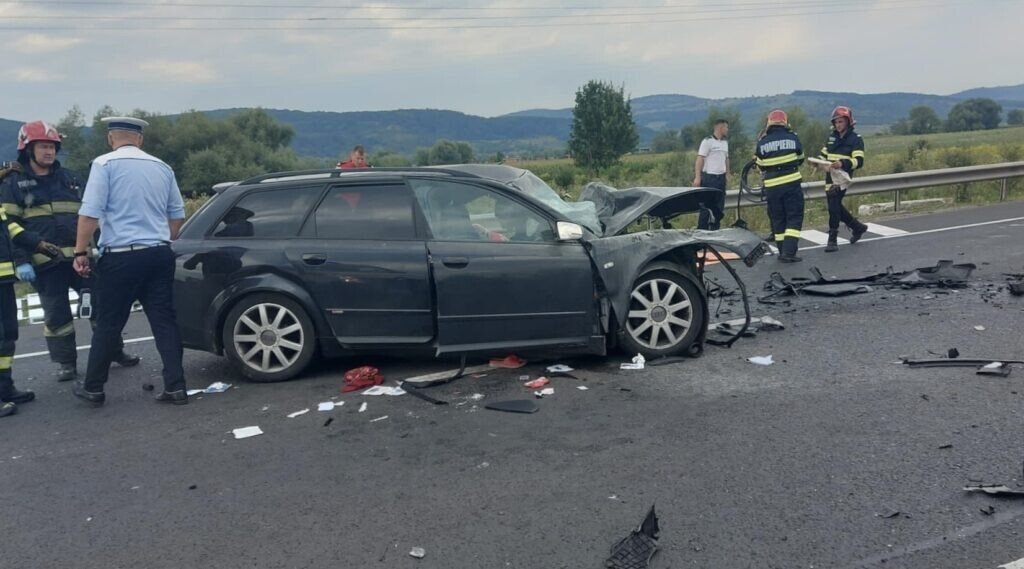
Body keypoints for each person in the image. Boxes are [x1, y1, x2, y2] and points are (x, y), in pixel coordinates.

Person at [0, 121, 139, 382]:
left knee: (101, 306)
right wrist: (21, 260)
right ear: (28, 150)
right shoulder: (13, 184)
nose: (49, 152)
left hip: (81, 258)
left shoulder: (71, 179)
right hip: (44, 262)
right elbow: (9, 226)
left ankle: (113, 350)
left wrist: (100, 247)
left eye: (52, 147)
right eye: (43, 146)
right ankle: (66, 363)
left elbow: (91, 215)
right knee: (57, 315)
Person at [71, 117, 187, 407]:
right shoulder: (163, 167)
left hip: (121, 256)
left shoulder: (104, 165)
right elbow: (177, 215)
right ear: (140, 139)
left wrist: (80, 252)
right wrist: (163, 240)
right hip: (159, 253)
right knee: (164, 321)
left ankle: (94, 387)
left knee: (109, 322)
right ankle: (176, 386)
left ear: (111, 138)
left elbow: (90, 213)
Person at [0, 200, 38, 417]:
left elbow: (11, 229)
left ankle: (4, 387)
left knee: (7, 336)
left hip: (3, 279)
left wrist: (39, 244)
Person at [754, 110, 805, 263]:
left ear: (769, 123)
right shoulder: (793, 138)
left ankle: (782, 251)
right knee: (794, 217)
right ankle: (789, 252)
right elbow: (800, 158)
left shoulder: (762, 142)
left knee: (778, 219)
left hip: (772, 188)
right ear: (785, 122)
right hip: (791, 185)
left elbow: (760, 165)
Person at [819, 106, 868, 252]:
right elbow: (823, 155)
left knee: (833, 206)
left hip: (843, 177)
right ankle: (858, 227)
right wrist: (818, 162)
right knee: (834, 206)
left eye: (841, 121)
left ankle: (832, 239)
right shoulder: (831, 138)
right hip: (830, 177)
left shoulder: (856, 139)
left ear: (848, 122)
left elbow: (859, 161)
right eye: (836, 122)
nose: (838, 125)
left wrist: (842, 163)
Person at [692, 119, 730, 230]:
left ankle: (715, 231)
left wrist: (728, 173)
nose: (727, 130)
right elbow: (700, 159)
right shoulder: (707, 141)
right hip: (710, 178)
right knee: (706, 207)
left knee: (718, 208)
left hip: (720, 178)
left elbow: (726, 159)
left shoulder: (724, 143)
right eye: (726, 127)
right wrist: (697, 177)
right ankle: (702, 231)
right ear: (720, 128)